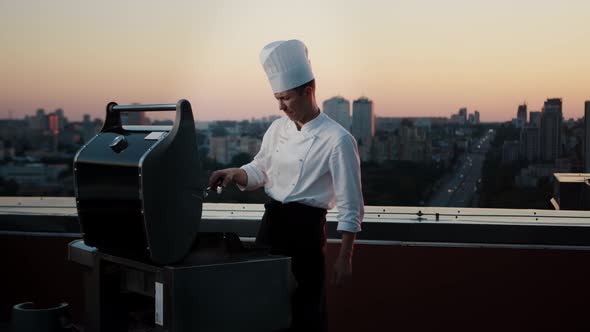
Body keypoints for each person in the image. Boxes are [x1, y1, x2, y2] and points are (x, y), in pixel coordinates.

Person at [209, 39, 364, 332]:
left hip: (305, 234)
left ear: (309, 92)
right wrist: (234, 172)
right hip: (271, 227)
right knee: (265, 309)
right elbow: (260, 170)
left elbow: (351, 205)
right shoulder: (277, 128)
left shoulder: (338, 139)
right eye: (277, 99)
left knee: (304, 313)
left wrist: (345, 257)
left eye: (286, 99)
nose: (281, 107)